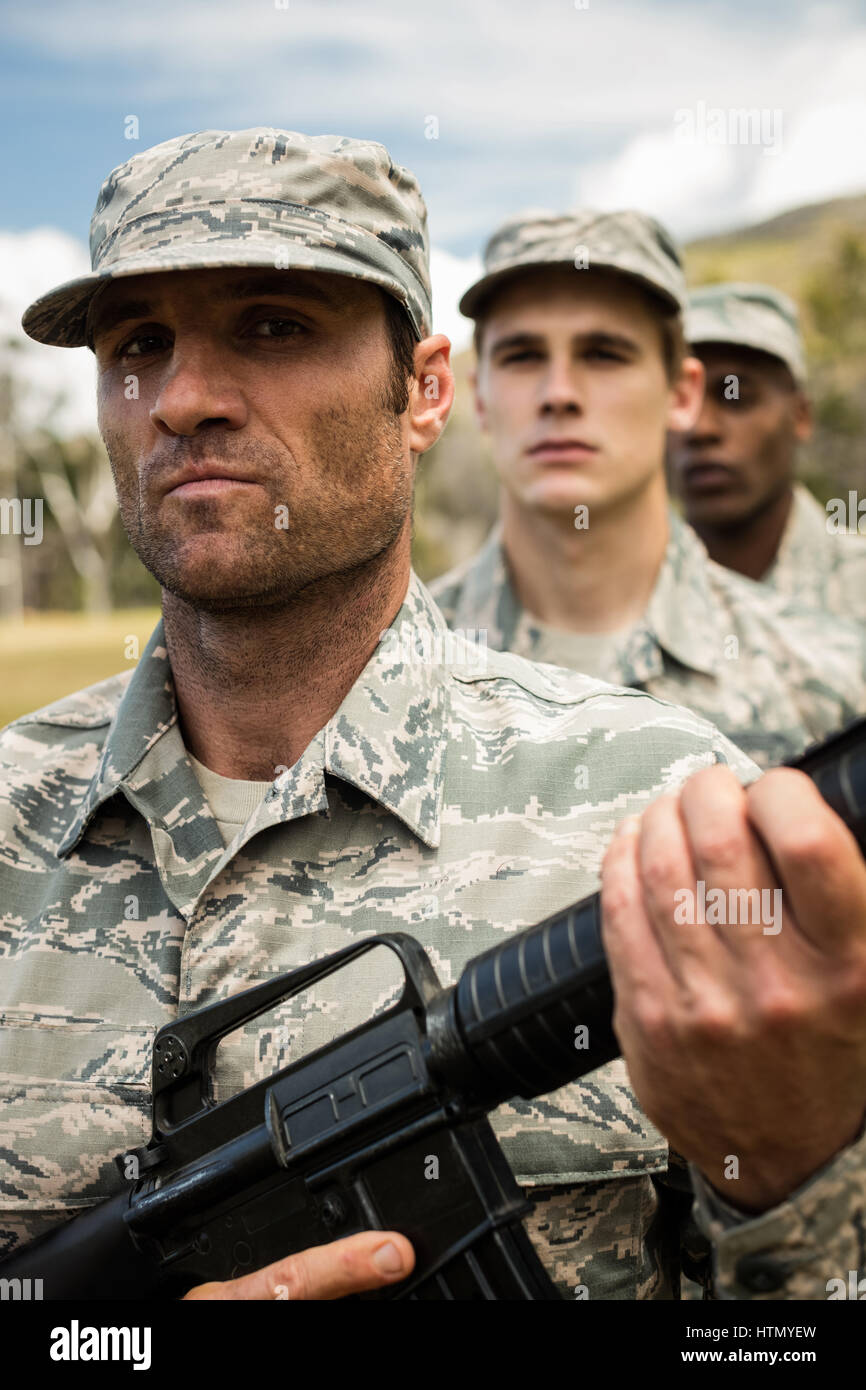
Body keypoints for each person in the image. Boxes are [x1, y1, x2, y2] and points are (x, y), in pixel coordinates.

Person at [2, 130, 865, 1302]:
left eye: (272, 324)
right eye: (137, 344)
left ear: (422, 392)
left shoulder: (655, 805)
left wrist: (785, 1174)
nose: (184, 399)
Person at [430, 211, 866, 771]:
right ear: (481, 399)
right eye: (523, 356)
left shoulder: (830, 681)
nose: (558, 394)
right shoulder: (375, 675)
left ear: (682, 395)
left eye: (603, 354)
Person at [669, 281, 866, 620]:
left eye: (736, 398)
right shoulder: (601, 601)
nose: (701, 429)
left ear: (800, 416)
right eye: (678, 401)